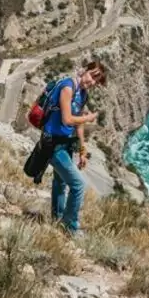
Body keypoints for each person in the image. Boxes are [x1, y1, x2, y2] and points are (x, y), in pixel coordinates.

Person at [41, 59, 107, 235]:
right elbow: (68, 119)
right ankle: (70, 227)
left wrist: (82, 150)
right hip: (52, 143)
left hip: (64, 143)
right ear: (84, 70)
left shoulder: (83, 93)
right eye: (92, 76)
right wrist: (89, 117)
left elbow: (77, 124)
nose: (91, 82)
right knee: (78, 185)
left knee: (60, 182)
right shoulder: (68, 87)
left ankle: (57, 220)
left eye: (95, 81)